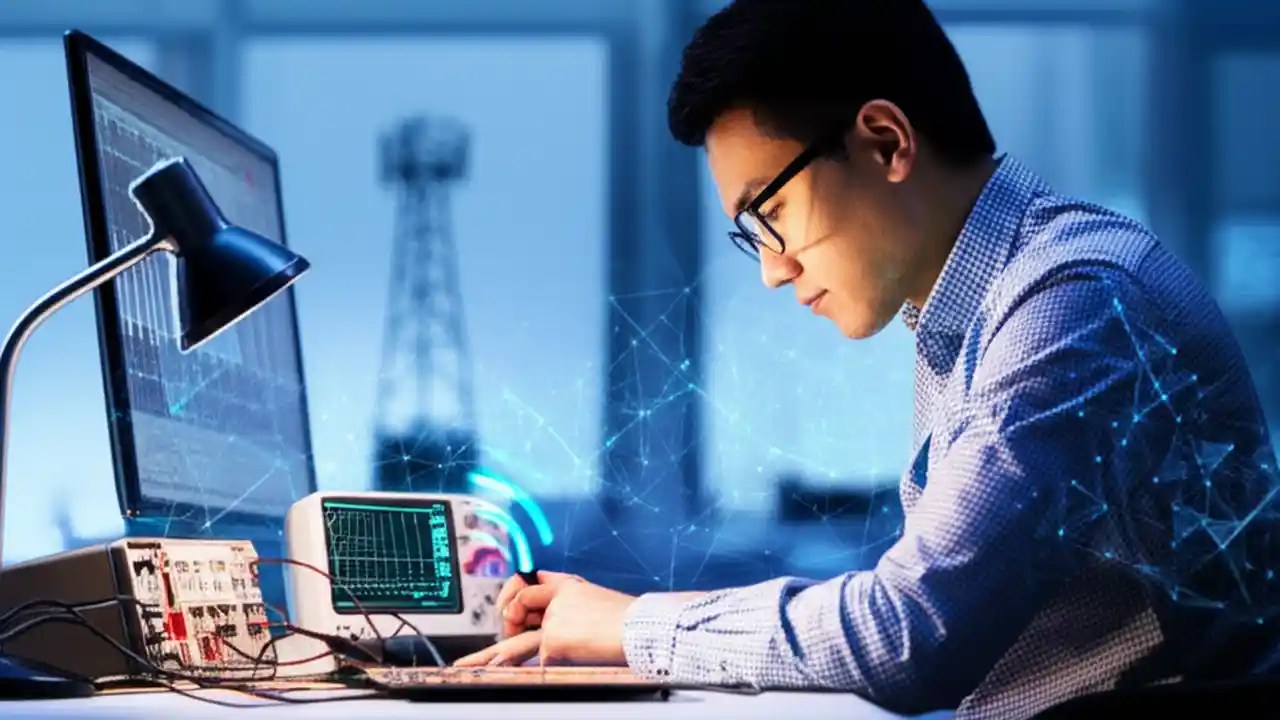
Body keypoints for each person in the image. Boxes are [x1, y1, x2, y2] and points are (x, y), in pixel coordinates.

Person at [455, 0, 1280, 716]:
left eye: (771, 210)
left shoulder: (1074, 303)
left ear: (886, 142)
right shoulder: (978, 304)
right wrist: (630, 618)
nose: (775, 269)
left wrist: (634, 628)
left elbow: (912, 632)